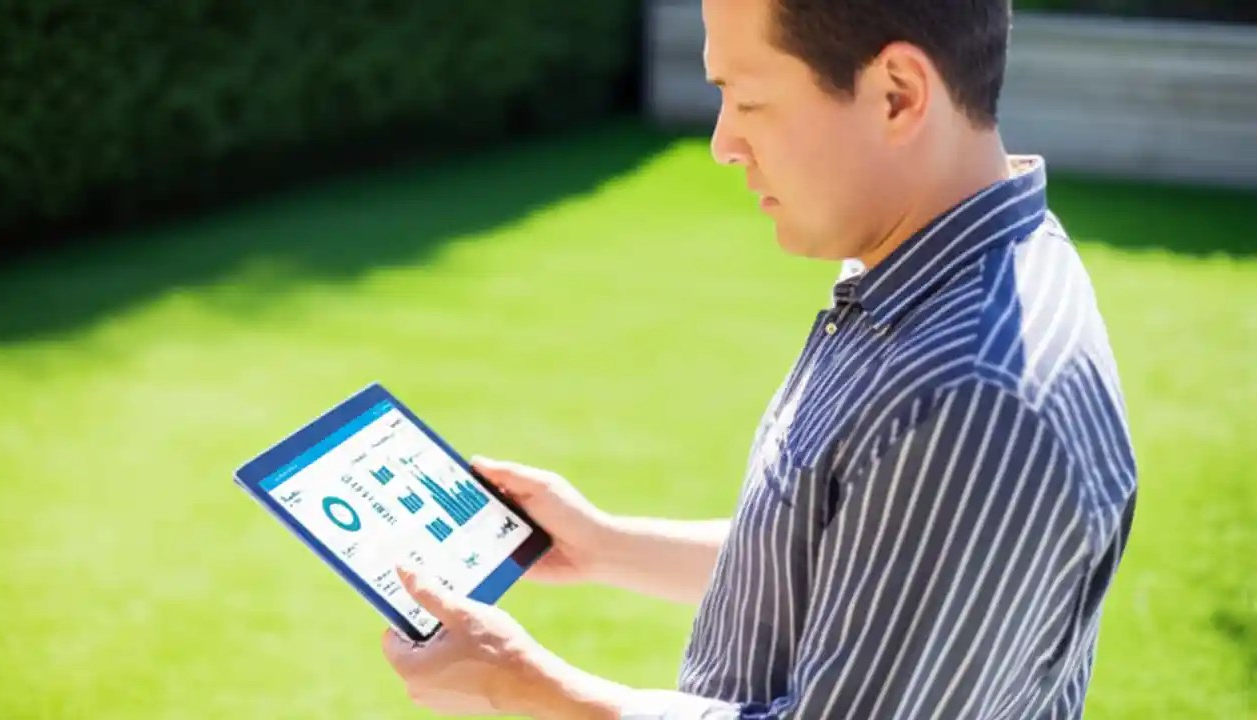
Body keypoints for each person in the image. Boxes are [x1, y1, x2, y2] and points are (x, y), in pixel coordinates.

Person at [380, 0, 1138, 717]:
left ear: (897, 95)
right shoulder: (941, 272)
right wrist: (607, 544)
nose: (723, 144)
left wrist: (535, 689)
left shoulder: (970, 395)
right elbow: (850, 562)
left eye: (746, 100)